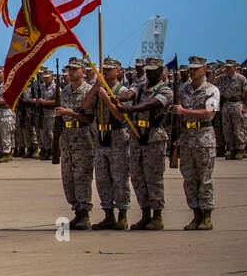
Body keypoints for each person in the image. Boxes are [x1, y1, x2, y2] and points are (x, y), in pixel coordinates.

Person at [115, 56, 174, 230]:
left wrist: (130, 108)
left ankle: (157, 215)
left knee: (154, 177)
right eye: (147, 71)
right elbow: (130, 93)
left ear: (161, 71)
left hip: (154, 137)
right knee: (138, 177)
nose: (149, 74)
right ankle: (145, 213)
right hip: (137, 136)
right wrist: (120, 99)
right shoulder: (140, 87)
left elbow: (152, 105)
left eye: (153, 71)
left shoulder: (165, 91)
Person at [82, 57, 131, 229]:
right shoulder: (98, 89)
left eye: (109, 70)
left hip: (117, 136)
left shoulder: (124, 91)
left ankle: (122, 215)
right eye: (104, 70)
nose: (106, 72)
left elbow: (121, 116)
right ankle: (108, 213)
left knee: (119, 177)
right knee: (103, 179)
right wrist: (96, 87)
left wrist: (108, 99)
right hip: (100, 136)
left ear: (118, 71)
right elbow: (85, 106)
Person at [174, 56, 220, 230]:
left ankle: (207, 215)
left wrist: (184, 111)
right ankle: (196, 214)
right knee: (190, 179)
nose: (192, 72)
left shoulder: (211, 90)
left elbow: (208, 112)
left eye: (196, 68)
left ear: (204, 69)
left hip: (204, 138)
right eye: (191, 69)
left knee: (205, 179)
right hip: (187, 138)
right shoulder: (183, 89)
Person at [53, 57, 96, 229]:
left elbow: (89, 118)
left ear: (83, 71)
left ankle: (85, 213)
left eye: (75, 69)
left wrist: (69, 112)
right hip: (67, 139)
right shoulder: (64, 92)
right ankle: (77, 211)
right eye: (69, 69)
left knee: (82, 177)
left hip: (83, 138)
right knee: (68, 178)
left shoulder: (88, 91)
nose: (71, 72)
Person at [217, 60, 247, 159]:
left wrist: (246, 106)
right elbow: (211, 83)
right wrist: (218, 72)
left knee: (239, 128)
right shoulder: (222, 78)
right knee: (227, 129)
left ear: (235, 67)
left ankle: (241, 149)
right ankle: (231, 149)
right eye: (226, 67)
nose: (227, 69)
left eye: (230, 67)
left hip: (237, 104)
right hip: (226, 105)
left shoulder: (241, 78)